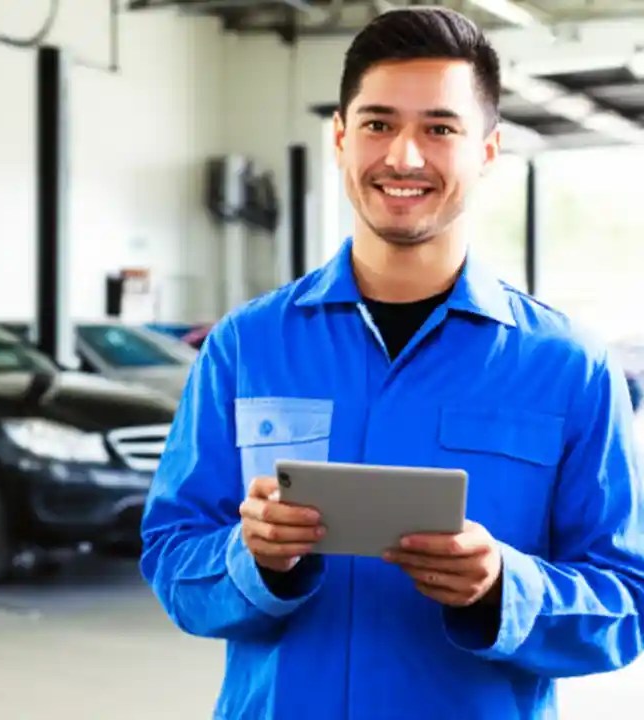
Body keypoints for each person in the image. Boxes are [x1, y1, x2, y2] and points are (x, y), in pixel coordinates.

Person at [140, 7, 644, 720]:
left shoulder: (568, 366)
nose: (404, 157)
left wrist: (504, 586)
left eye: (440, 128)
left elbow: (628, 603)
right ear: (342, 138)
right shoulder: (247, 347)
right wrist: (249, 559)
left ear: (488, 151)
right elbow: (171, 557)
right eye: (378, 124)